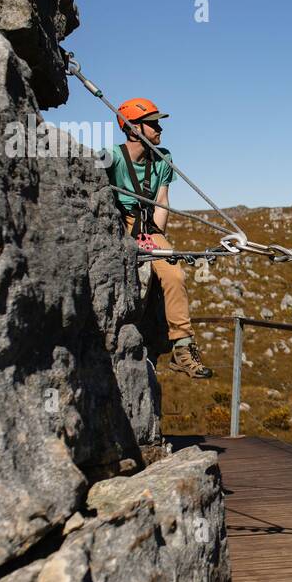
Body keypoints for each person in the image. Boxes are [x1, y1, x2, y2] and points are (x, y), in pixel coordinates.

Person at [105, 97, 212, 379]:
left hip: (148, 225)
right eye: (152, 123)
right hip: (118, 221)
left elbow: (162, 199)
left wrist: (154, 236)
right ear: (133, 128)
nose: (159, 128)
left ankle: (183, 347)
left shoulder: (162, 159)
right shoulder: (112, 156)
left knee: (174, 275)